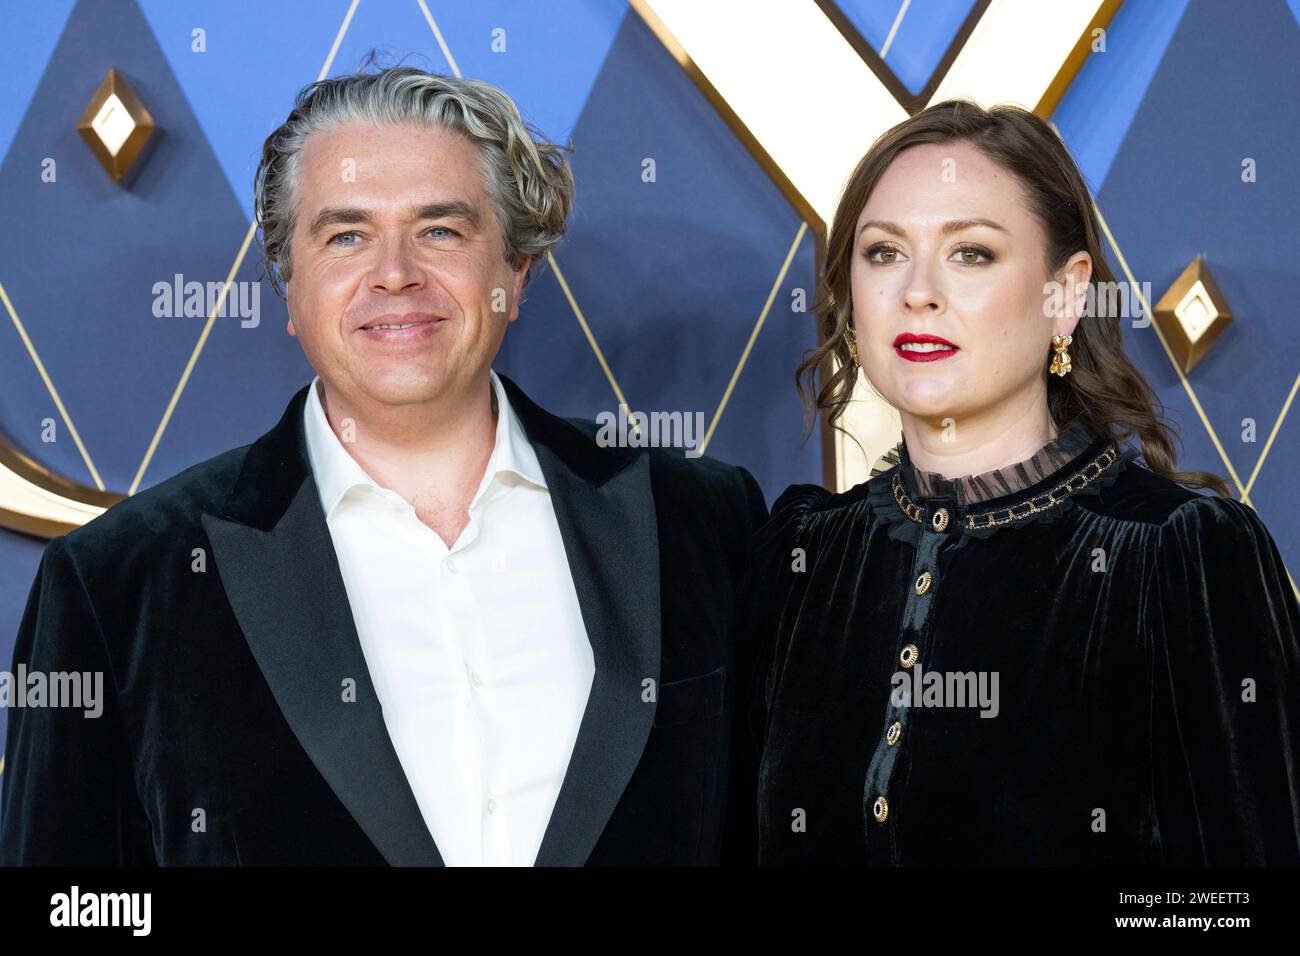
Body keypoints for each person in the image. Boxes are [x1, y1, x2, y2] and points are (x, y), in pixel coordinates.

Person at [0, 67, 766, 866]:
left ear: (516, 271)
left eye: (441, 230)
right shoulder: (121, 583)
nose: (395, 272)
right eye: (346, 235)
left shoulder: (701, 520)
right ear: (287, 286)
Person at [745, 100, 1300, 865]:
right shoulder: (802, 556)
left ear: (1066, 294)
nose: (918, 292)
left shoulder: (1177, 559)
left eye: (971, 252)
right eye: (883, 252)